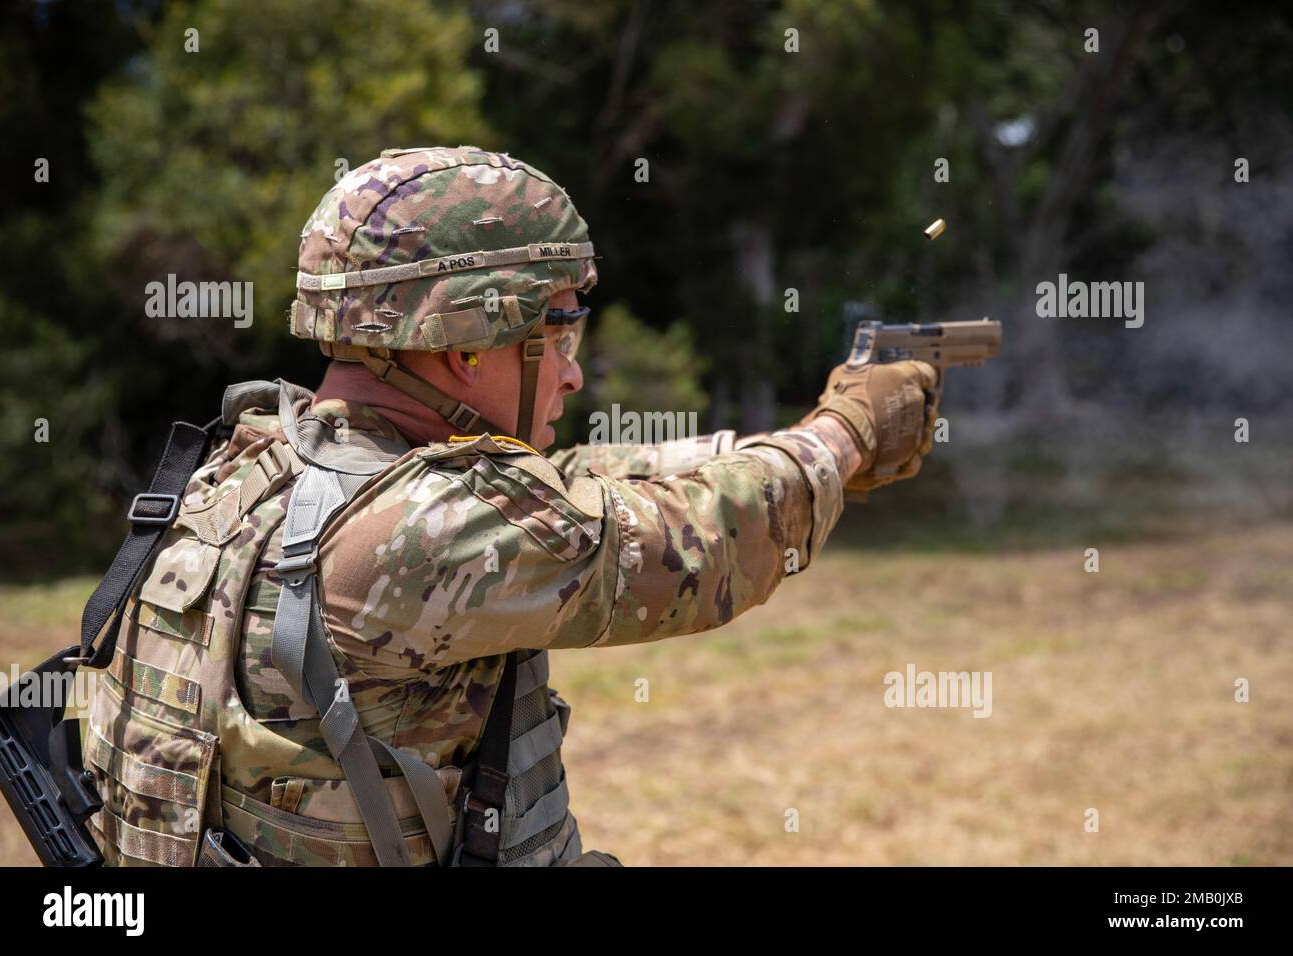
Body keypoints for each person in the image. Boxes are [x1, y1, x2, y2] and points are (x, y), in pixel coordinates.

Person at [80, 146, 940, 867]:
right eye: (557, 330)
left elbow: (563, 484)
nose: (570, 369)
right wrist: (848, 434)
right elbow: (698, 550)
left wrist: (771, 445)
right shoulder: (426, 531)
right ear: (466, 344)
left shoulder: (249, 463)